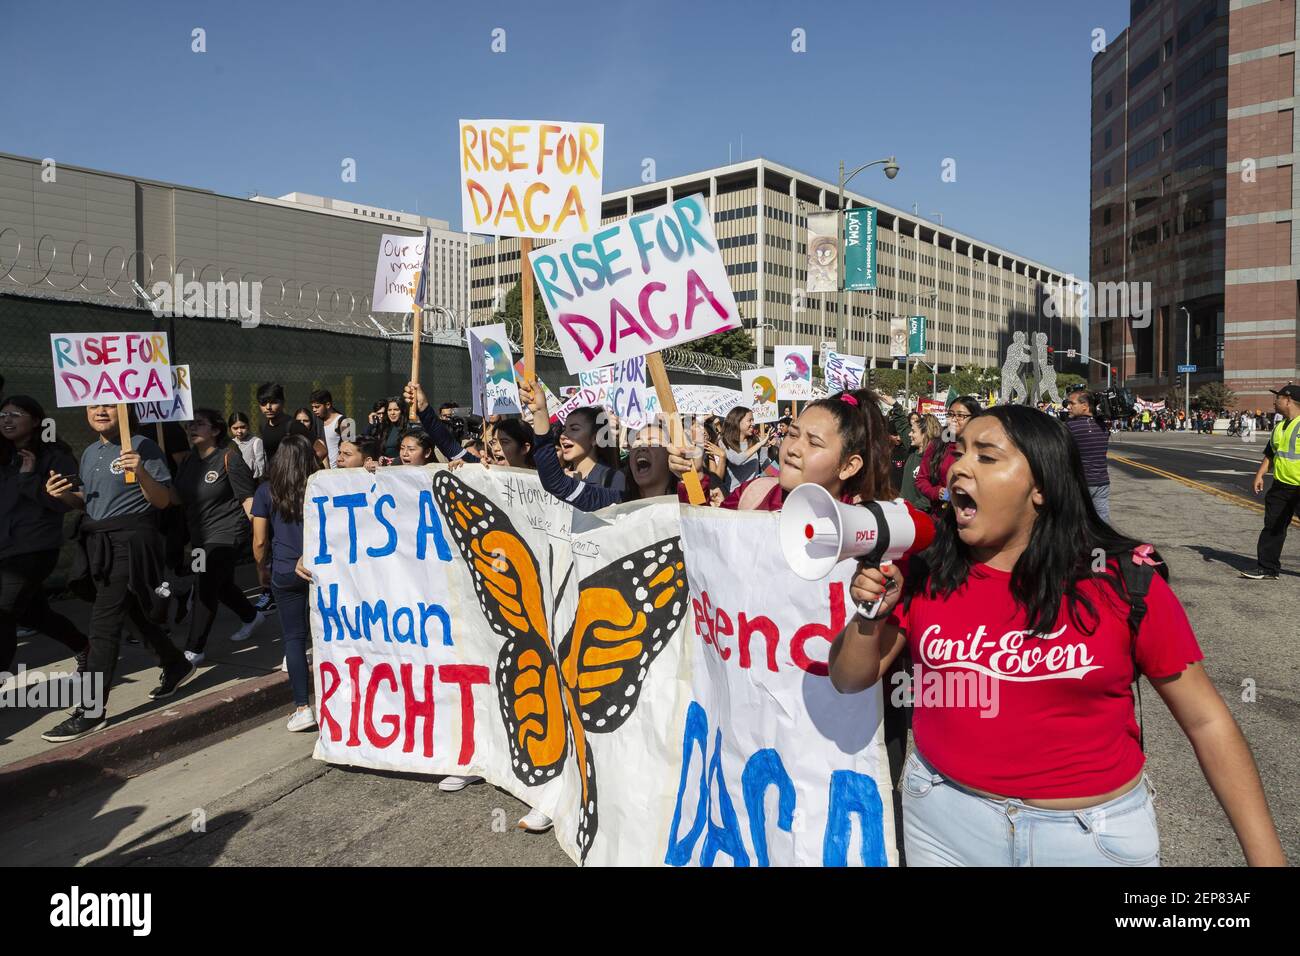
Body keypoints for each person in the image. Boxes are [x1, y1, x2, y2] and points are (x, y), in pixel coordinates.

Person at [828, 405, 1286, 867]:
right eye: (958, 452)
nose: (959, 468)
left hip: (1088, 840)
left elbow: (1207, 723)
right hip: (942, 826)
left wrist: (1267, 858)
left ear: (1041, 487)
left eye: (987, 457)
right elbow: (849, 679)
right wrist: (870, 616)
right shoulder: (927, 570)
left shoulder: (1124, 580)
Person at [41, 405, 194, 742]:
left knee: (104, 623)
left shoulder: (142, 446)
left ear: (125, 411)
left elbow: (163, 501)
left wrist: (141, 472)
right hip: (99, 542)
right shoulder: (91, 452)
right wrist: (63, 495)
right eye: (94, 405)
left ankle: (91, 710)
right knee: (131, 612)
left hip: (131, 542)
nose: (100, 411)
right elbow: (89, 502)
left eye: (109, 404)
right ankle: (175, 663)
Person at [0, 395, 90, 674]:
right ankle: (86, 648)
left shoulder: (55, 457)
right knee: (33, 613)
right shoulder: (3, 455)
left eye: (15, 414)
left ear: (36, 420)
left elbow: (65, 504)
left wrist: (29, 479)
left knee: (3, 616)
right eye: (2, 415)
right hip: (3, 548)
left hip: (33, 550)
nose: (7, 420)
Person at [172, 408, 266, 665]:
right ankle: (251, 615)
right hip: (200, 538)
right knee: (220, 584)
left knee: (205, 585)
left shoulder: (229, 458)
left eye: (199, 424)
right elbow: (177, 497)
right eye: (190, 424)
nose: (192, 428)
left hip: (227, 534)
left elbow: (248, 499)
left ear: (215, 430)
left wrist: (261, 540)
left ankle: (194, 649)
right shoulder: (189, 462)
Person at [521, 380, 695, 512]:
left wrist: (692, 478)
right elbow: (555, 483)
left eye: (653, 442)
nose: (642, 447)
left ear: (671, 456)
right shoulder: (617, 503)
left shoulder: (684, 505)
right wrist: (540, 414)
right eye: (637, 441)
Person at [721, 391, 894, 511]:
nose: (793, 448)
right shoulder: (750, 494)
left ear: (848, 466)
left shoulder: (870, 528)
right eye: (793, 434)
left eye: (814, 442)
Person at [251, 434, 318, 732]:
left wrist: (261, 570)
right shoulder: (320, 486)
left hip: (284, 570)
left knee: (294, 638)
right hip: (319, 569)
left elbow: (260, 539)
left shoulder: (266, 491)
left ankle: (303, 708)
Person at [1241, 384, 1300, 580]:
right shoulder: (1279, 427)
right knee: (1273, 527)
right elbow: (1271, 453)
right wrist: (1259, 474)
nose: (1274, 402)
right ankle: (1267, 568)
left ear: (1288, 400)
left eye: (1278, 398)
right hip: (1280, 487)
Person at [915, 396, 982, 509]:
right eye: (951, 414)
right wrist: (936, 492)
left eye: (960, 415)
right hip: (941, 516)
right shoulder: (937, 444)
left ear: (974, 418)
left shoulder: (982, 447)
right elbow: (921, 479)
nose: (954, 419)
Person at [1065, 388, 1112, 522]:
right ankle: (1103, 542)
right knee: (1102, 518)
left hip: (1081, 482)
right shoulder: (1102, 426)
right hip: (1102, 481)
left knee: (1076, 519)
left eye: (1072, 404)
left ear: (1085, 406)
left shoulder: (1071, 427)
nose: (1068, 407)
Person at [719, 407, 773, 493]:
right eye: (750, 420)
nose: (753, 424)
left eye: (753, 420)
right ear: (738, 421)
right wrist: (760, 444)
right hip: (733, 496)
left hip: (752, 495)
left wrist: (779, 478)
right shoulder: (724, 441)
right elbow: (737, 460)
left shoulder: (757, 440)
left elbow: (765, 464)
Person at [900, 413, 941, 514]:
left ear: (925, 434)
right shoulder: (912, 452)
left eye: (913, 432)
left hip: (919, 516)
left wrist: (910, 509)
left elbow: (928, 498)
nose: (909, 434)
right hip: (904, 512)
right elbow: (901, 426)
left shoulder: (934, 460)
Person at [310, 389, 353, 469]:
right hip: (321, 471)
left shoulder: (345, 422)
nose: (314, 410)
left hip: (339, 471)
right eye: (312, 407)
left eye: (317, 407)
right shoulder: (316, 421)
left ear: (328, 405)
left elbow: (350, 449)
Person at [257, 383, 291, 462]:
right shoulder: (263, 426)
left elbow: (320, 450)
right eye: (263, 403)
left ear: (282, 402)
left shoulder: (292, 425)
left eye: (273, 402)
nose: (268, 407)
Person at [228, 411, 266, 480]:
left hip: (252, 483)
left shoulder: (256, 442)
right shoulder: (230, 444)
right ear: (230, 428)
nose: (239, 431)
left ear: (248, 426)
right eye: (235, 428)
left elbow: (261, 470)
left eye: (242, 427)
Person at [366, 397, 406, 462]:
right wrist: (370, 425)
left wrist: (394, 461)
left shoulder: (407, 427)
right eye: (389, 410)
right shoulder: (381, 429)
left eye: (396, 409)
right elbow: (363, 443)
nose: (392, 413)